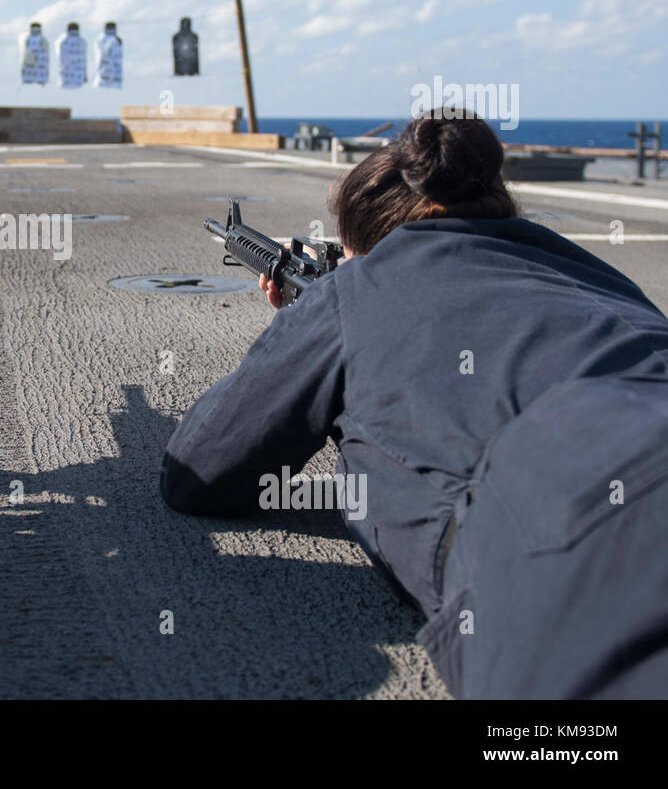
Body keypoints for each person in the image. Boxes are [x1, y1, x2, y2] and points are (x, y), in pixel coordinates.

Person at [160, 113, 668, 699]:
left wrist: (311, 331)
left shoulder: (355, 290)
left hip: (587, 519)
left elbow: (199, 471)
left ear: (362, 248)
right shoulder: (598, 275)